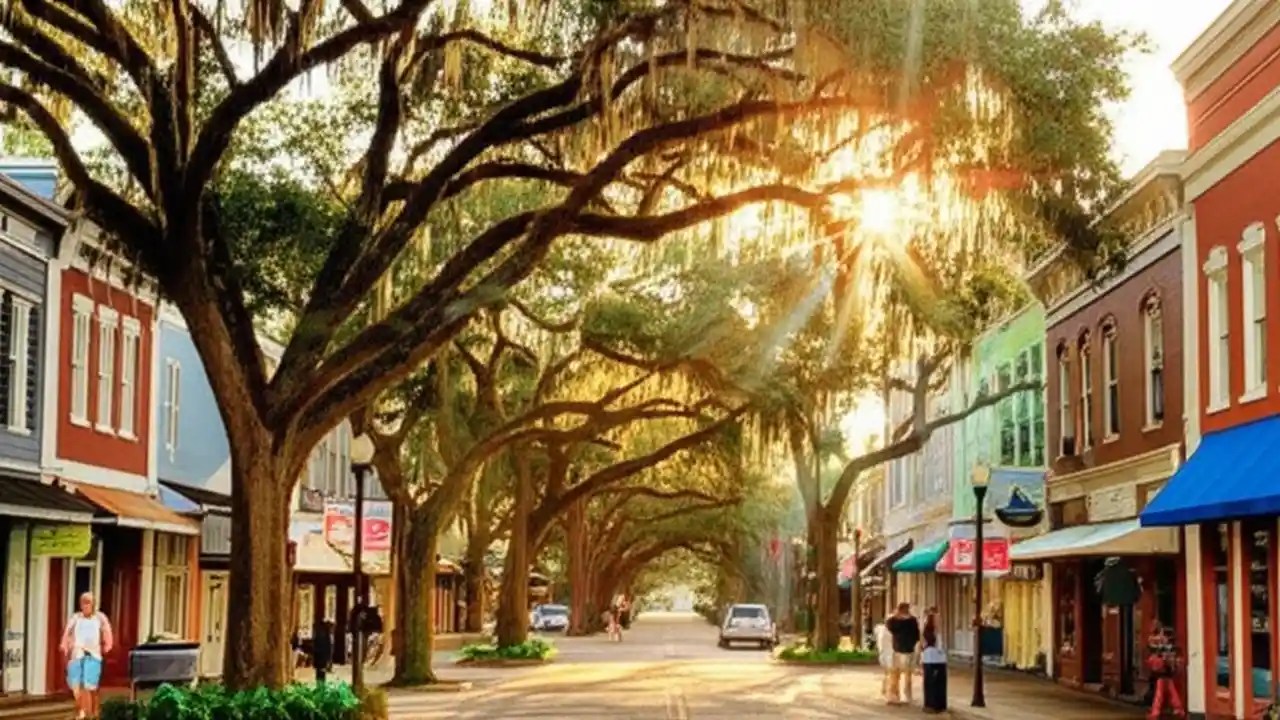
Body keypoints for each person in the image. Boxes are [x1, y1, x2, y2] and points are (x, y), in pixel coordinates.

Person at [61, 593, 114, 720]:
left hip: (93, 654)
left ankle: (92, 712)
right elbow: (67, 632)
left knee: (90, 686)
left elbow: (107, 632)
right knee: (76, 686)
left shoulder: (100, 618)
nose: (86, 605)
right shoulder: (75, 618)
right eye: (84, 602)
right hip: (77, 654)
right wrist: (65, 646)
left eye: (88, 602)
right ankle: (81, 710)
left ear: (93, 604)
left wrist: (108, 645)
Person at [885, 602, 921, 705]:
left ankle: (894, 695)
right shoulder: (912, 620)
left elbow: (888, 625)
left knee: (895, 674)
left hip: (898, 649)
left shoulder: (895, 620)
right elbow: (917, 635)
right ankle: (906, 695)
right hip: (907, 649)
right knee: (906, 674)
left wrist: (896, 615)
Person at [920, 610, 948, 713]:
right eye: (937, 619)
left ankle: (940, 704)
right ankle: (931, 704)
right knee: (931, 682)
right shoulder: (929, 632)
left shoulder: (939, 632)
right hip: (931, 659)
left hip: (940, 659)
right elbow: (926, 645)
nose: (940, 621)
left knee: (940, 682)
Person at [874, 618, 894, 699]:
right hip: (889, 654)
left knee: (887, 673)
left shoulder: (880, 630)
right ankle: (888, 689)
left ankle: (884, 688)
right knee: (890, 673)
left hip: (882, 654)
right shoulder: (889, 633)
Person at [312, 620, 334, 684]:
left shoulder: (319, 634)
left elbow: (315, 646)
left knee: (319, 672)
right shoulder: (326, 635)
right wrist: (329, 659)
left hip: (319, 657)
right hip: (323, 657)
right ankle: (321, 684)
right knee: (322, 672)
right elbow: (329, 647)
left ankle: (319, 684)